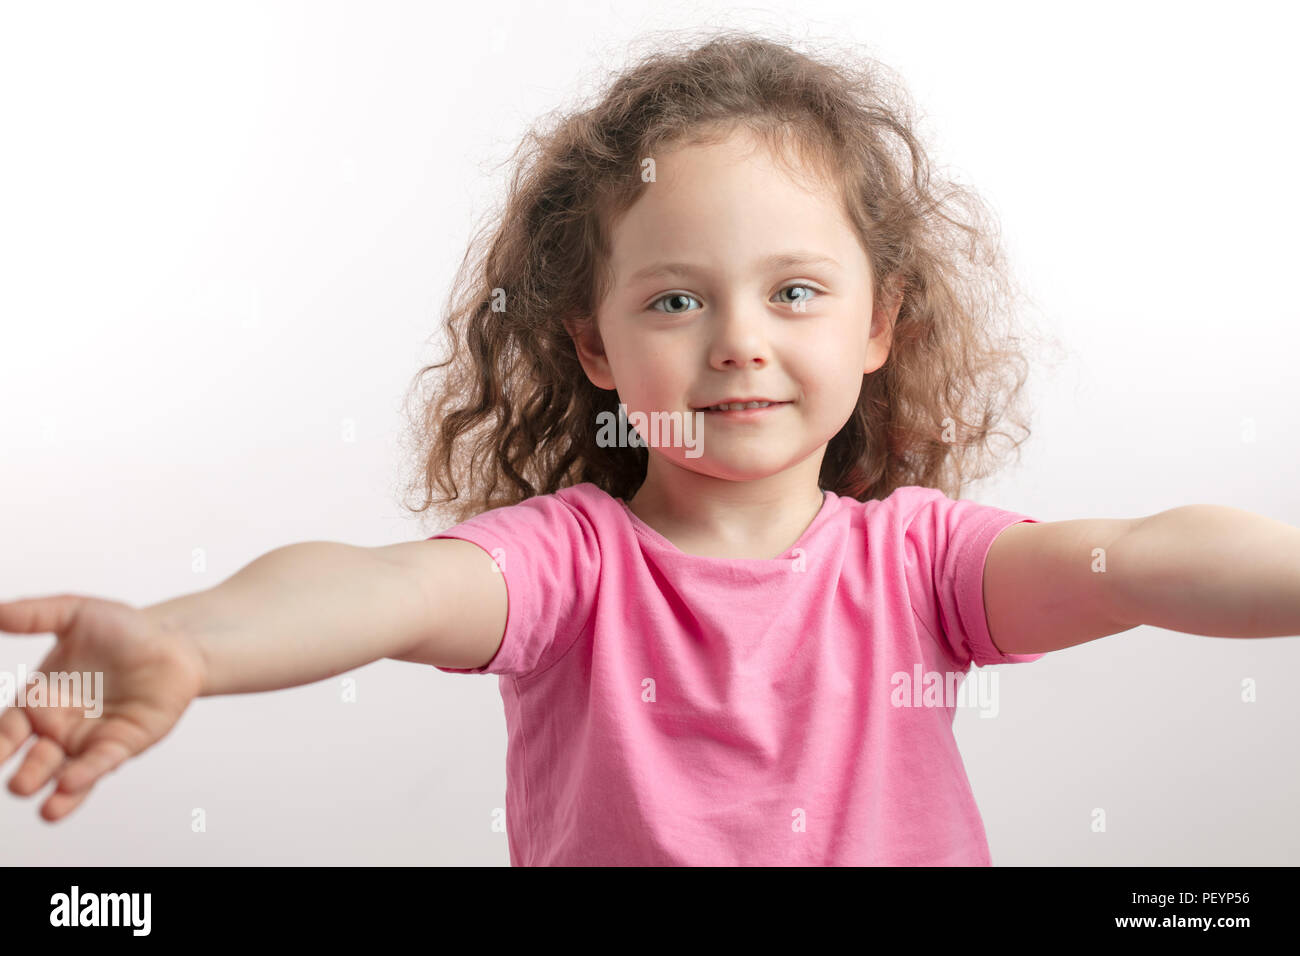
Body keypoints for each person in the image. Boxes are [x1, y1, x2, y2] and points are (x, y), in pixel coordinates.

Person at [3, 29, 1298, 865]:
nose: (738, 342)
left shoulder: (922, 567)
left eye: (794, 292)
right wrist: (189, 642)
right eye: (677, 299)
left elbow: (1143, 560)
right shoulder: (569, 567)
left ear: (879, 325)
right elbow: (377, 588)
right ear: (595, 344)